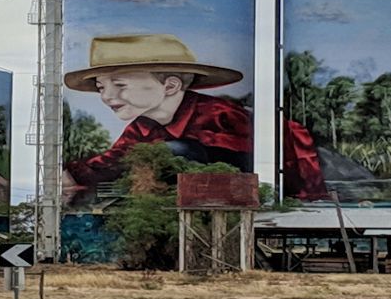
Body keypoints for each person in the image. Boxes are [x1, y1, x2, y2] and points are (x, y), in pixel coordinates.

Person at [61, 34, 252, 205]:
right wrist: (71, 175)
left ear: (170, 86)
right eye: (101, 87)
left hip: (222, 204)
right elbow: (112, 162)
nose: (106, 96)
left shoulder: (222, 116)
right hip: (170, 209)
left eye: (120, 85)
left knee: (175, 150)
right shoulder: (142, 128)